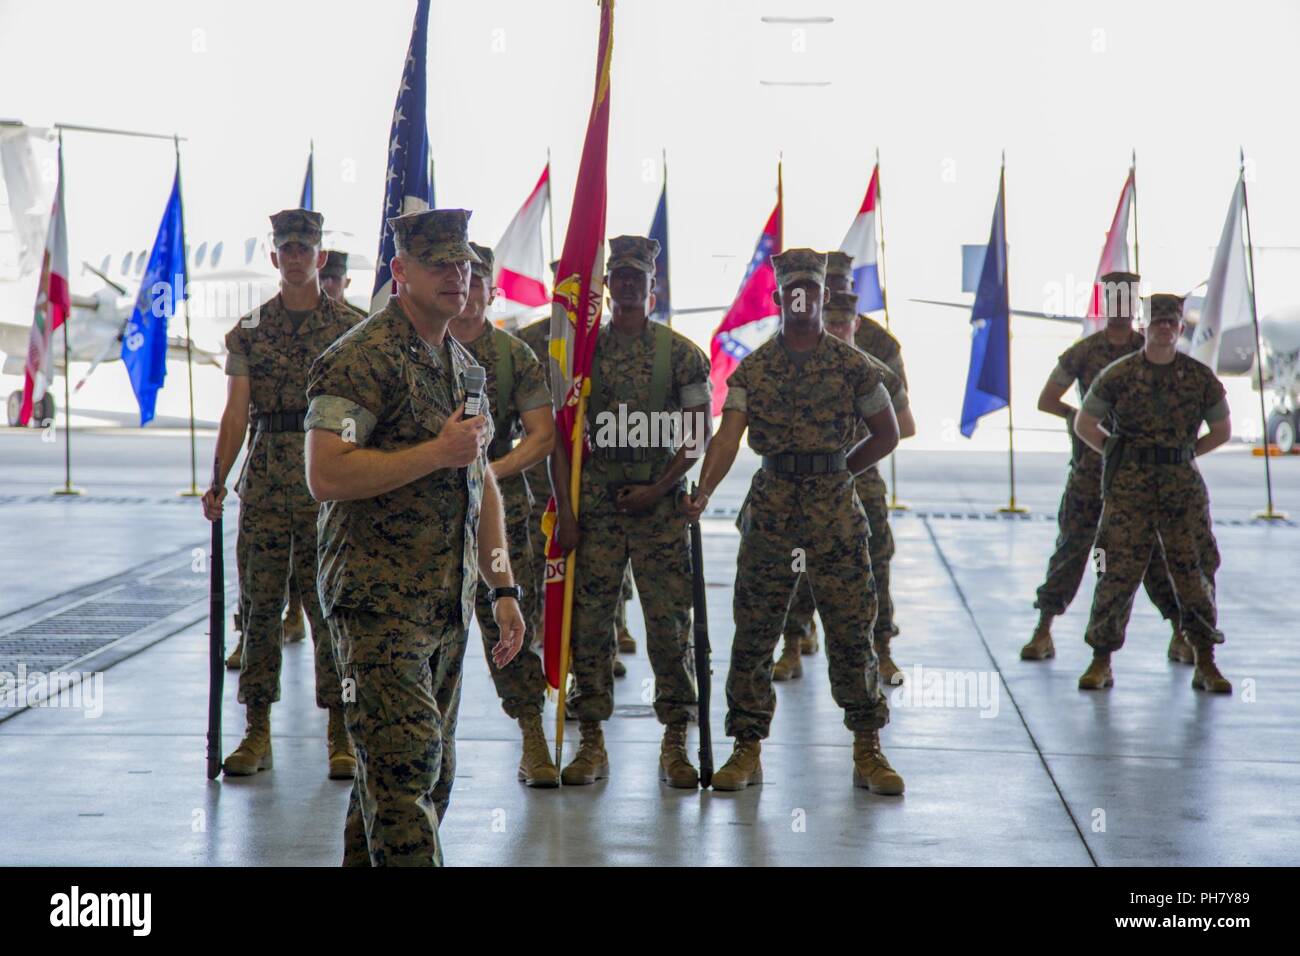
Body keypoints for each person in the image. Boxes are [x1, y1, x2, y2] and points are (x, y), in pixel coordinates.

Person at [304, 208, 526, 866]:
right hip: (378, 602)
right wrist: (436, 452)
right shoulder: (358, 359)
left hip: (445, 604)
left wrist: (503, 586)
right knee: (407, 777)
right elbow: (325, 473)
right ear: (400, 272)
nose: (457, 277)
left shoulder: (464, 365)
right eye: (440, 266)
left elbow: (481, 480)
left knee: (417, 778)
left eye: (465, 266)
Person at [681, 249, 905, 794]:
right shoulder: (754, 369)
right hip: (773, 510)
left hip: (835, 515)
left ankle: (867, 748)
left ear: (823, 297)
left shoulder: (856, 365)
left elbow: (888, 433)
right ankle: (746, 748)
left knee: (852, 630)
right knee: (755, 631)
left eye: (812, 288)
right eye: (792, 290)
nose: (802, 298)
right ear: (779, 298)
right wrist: (704, 489)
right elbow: (729, 435)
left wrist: (839, 472)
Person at [549, 235, 711, 788]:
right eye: (617, 275)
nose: (626, 285)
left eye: (636, 276)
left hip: (660, 508)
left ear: (652, 285)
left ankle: (675, 741)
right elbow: (563, 436)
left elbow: (695, 437)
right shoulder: (583, 352)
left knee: (668, 625)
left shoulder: (682, 354)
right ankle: (591, 740)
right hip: (596, 506)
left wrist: (660, 487)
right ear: (607, 284)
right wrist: (567, 513)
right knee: (589, 626)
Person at [202, 208, 358, 779]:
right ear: (274, 257)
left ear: (320, 257)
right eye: (286, 247)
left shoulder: (352, 328)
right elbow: (236, 411)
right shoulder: (249, 332)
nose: (295, 256)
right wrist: (218, 478)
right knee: (261, 608)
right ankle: (256, 731)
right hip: (266, 478)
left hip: (328, 482)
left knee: (329, 610)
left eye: (305, 247)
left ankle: (340, 732)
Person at [1023, 272, 1196, 664]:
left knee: (1149, 554)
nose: (1119, 309)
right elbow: (1047, 399)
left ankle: (1179, 630)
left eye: (1126, 300)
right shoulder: (1084, 353)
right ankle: (1044, 628)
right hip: (1091, 470)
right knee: (1075, 547)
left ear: (1133, 305)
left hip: (1137, 477)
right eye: (1112, 300)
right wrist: (1080, 419)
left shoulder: (1146, 349)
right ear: (1105, 304)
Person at [1073, 292, 1233, 693]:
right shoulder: (1119, 374)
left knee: (1193, 571)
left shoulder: (1198, 378)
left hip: (1181, 489)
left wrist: (1184, 454)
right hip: (1129, 488)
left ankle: (1205, 659)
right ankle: (1101, 659)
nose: (1164, 329)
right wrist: (1115, 450)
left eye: (1171, 323)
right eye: (1157, 323)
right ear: (1146, 328)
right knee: (1114, 570)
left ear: (1180, 328)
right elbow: (1085, 423)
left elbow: (1222, 430)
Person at [448, 241, 559, 787]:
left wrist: (492, 471)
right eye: (460, 280)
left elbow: (542, 435)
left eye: (478, 283)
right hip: (426, 517)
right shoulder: (417, 349)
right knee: (424, 635)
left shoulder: (515, 356)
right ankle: (421, 745)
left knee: (508, 626)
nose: (469, 294)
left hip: (502, 517)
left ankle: (533, 738)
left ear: (492, 290)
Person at [776, 268, 916, 684]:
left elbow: (904, 427)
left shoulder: (873, 370)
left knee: (875, 564)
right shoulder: (798, 366)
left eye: (842, 322)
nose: (835, 329)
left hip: (861, 481)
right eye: (829, 321)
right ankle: (793, 645)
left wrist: (850, 455)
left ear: (856, 323)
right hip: (805, 485)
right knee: (798, 563)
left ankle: (882, 650)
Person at [321, 249, 370, 320]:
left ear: (347, 282)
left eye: (335, 278)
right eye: (323, 277)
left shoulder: (361, 319)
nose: (328, 284)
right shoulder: (304, 314)